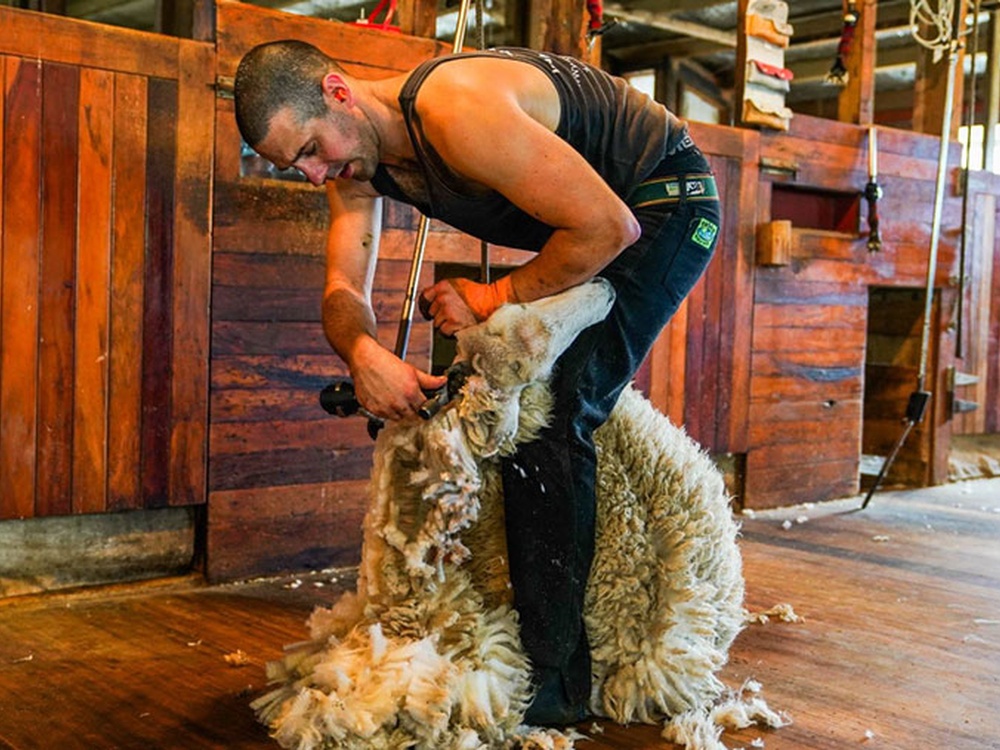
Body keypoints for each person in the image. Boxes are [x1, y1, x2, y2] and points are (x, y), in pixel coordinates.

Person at [234, 39, 721, 726]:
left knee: (553, 414)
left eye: (312, 148)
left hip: (665, 205)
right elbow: (344, 284)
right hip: (604, 223)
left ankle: (556, 685)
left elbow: (609, 227)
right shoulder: (356, 165)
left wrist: (493, 298)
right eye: (298, 165)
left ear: (338, 92)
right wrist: (362, 352)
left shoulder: (456, 110)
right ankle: (548, 631)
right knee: (516, 402)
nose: (315, 174)